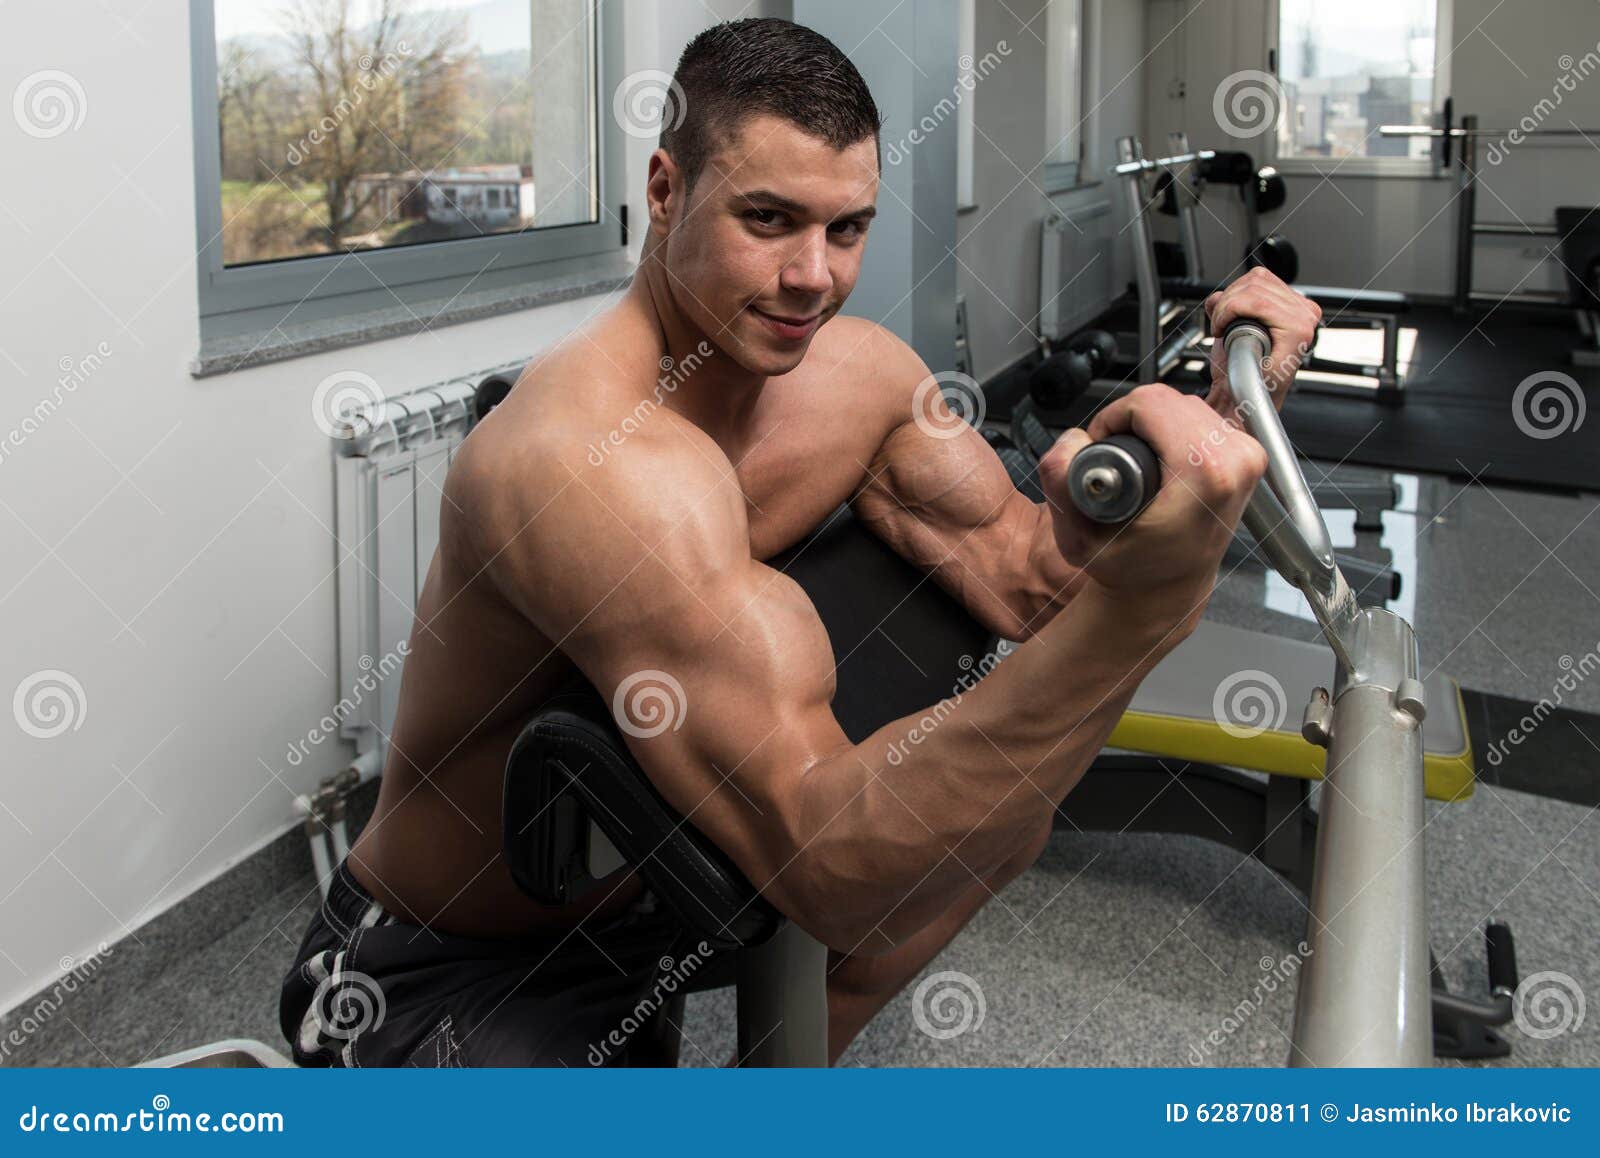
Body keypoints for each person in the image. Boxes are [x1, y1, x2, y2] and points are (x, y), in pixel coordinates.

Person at [280, 16, 1321, 1068]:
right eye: (768, 219)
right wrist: (1145, 610)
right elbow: (834, 874)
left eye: (846, 228)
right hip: (441, 966)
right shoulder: (583, 464)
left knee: (1003, 828)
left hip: (643, 909)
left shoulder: (858, 378)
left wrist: (1225, 425)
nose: (813, 276)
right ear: (664, 190)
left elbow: (1034, 582)